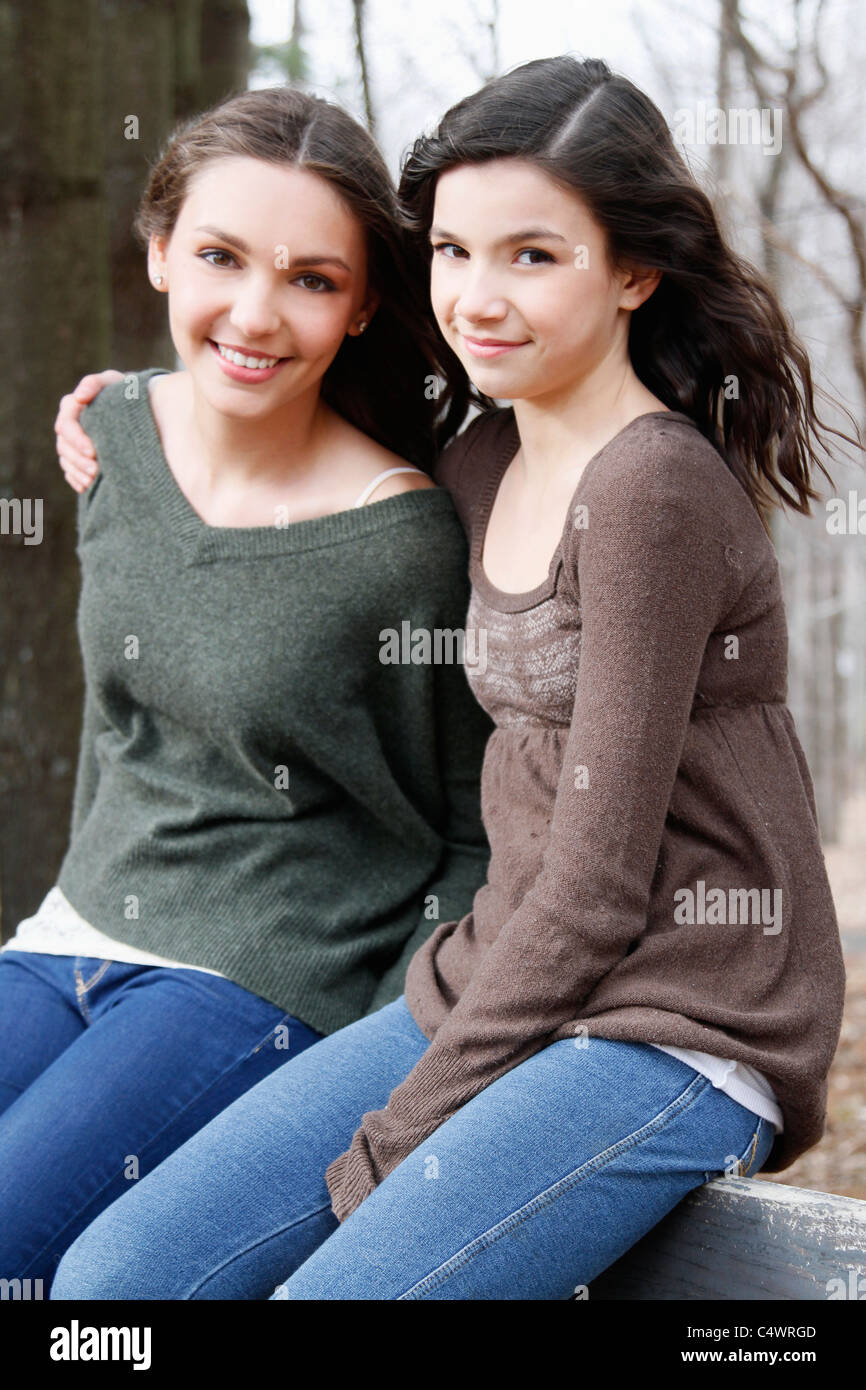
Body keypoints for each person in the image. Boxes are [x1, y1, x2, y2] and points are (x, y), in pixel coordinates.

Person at [51, 54, 859, 1302]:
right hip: (494, 972)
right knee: (117, 1276)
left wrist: (398, 1128)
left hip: (679, 1020)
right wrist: (126, 413)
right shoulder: (480, 449)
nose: (478, 297)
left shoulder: (651, 492)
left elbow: (595, 891)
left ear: (633, 273)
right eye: (453, 252)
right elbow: (283, 415)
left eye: (532, 256)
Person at [0, 86, 493, 1287]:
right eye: (220, 256)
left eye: (312, 279)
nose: (256, 315)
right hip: (66, 931)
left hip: (262, 978)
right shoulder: (110, 434)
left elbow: (472, 831)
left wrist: (385, 1056)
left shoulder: (401, 543)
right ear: (159, 250)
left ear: (365, 300)